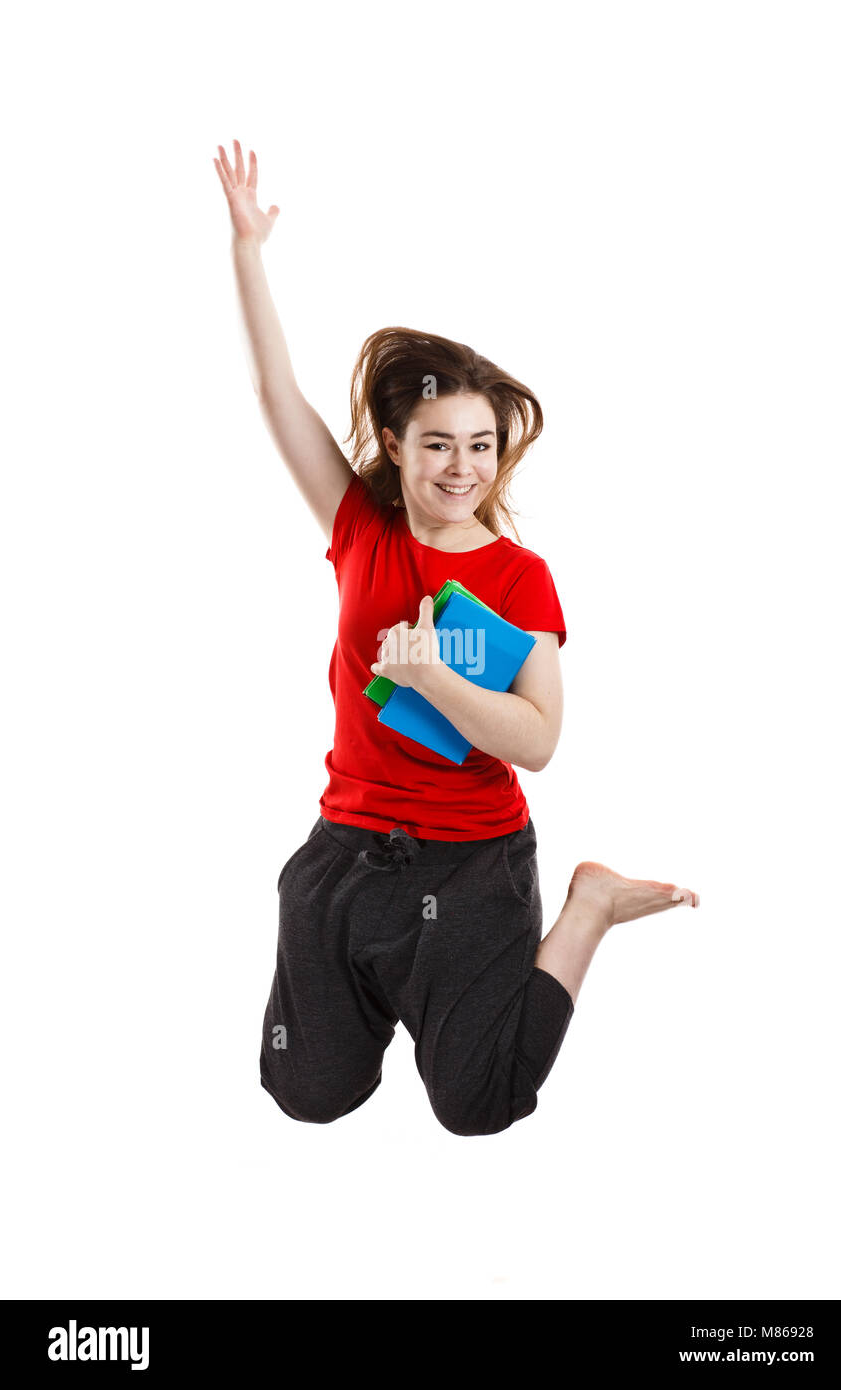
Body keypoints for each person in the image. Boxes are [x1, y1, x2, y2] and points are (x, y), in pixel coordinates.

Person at [214, 139, 700, 1138]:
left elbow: (536, 740)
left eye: (480, 446)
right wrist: (249, 249)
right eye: (437, 444)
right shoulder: (360, 529)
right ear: (394, 446)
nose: (460, 467)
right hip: (347, 849)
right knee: (306, 1094)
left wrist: (433, 674)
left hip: (470, 861)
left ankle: (589, 907)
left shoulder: (517, 578)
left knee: (478, 1106)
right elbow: (275, 396)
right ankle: (389, 996)